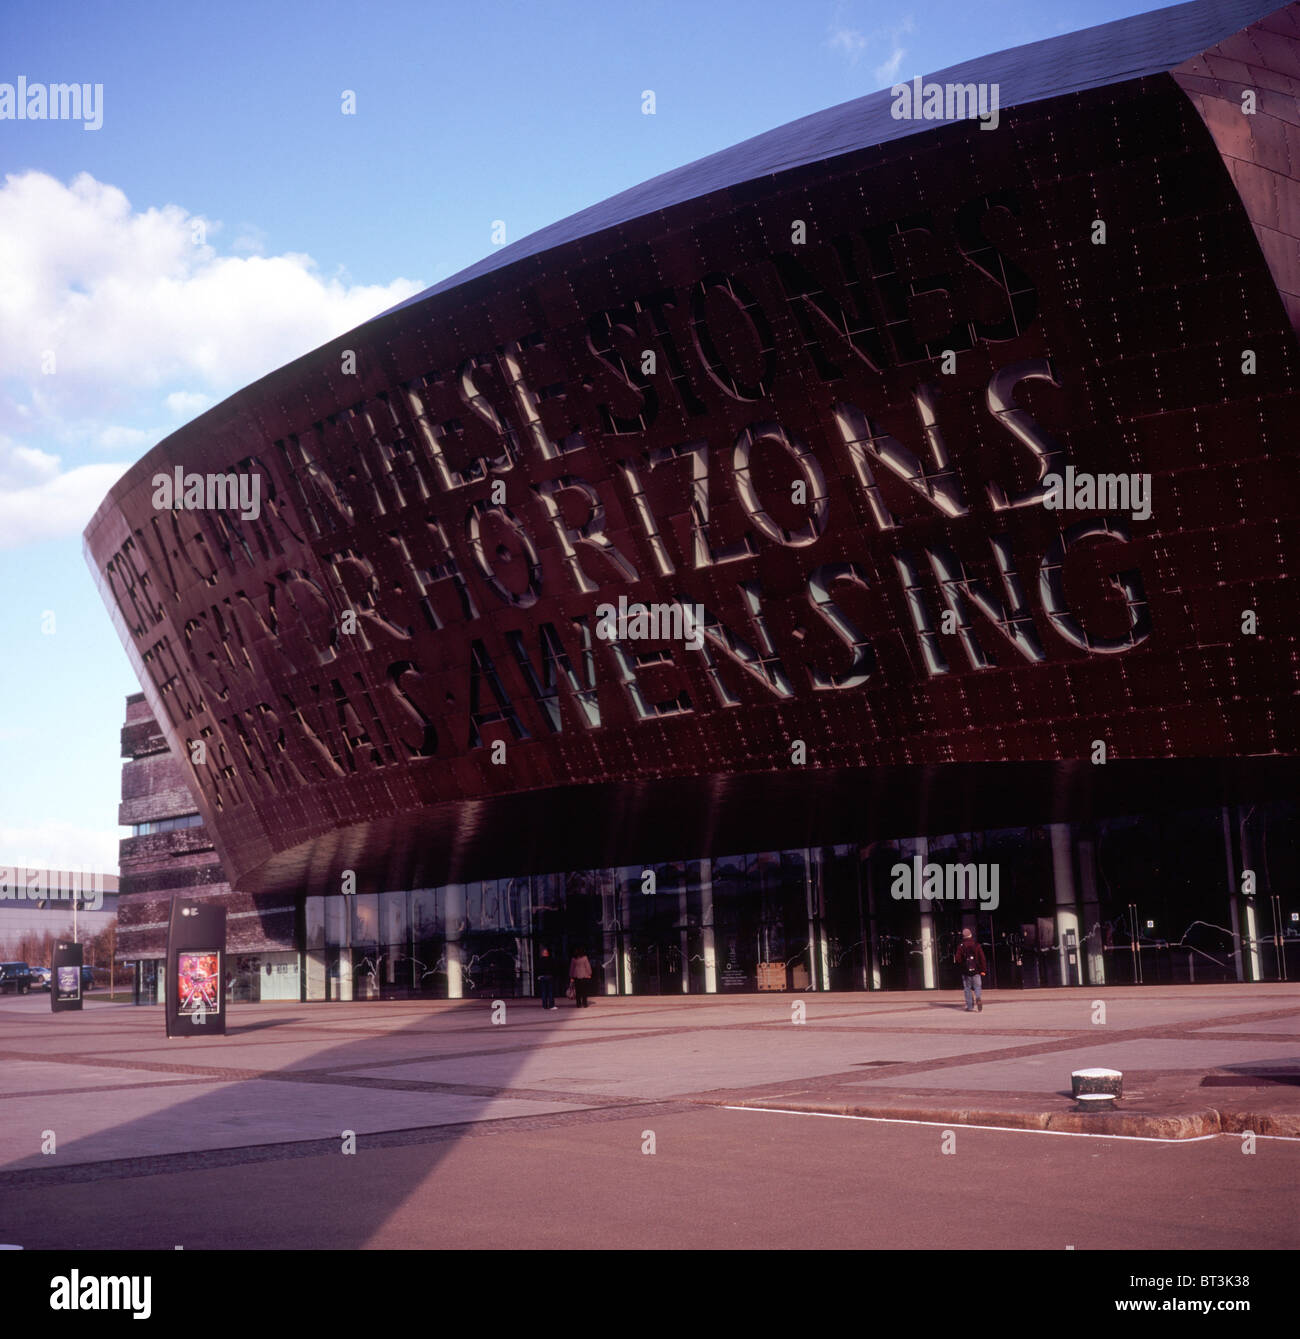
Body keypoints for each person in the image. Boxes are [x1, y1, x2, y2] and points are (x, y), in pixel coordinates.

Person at [954, 928, 986, 1012]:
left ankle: (970, 1006)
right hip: (976, 971)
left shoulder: (961, 946)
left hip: (965, 972)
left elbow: (957, 959)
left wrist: (962, 966)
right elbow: (982, 958)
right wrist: (983, 970)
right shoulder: (976, 945)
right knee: (977, 987)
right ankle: (978, 997)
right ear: (971, 935)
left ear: (963, 936)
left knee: (967, 988)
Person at [536, 945, 557, 1010]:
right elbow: (554, 968)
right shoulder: (551, 960)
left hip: (542, 977)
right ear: (547, 954)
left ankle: (544, 1006)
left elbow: (537, 969)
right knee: (550, 992)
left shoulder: (540, 960)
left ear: (542, 954)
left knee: (544, 992)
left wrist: (538, 976)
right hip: (549, 976)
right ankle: (551, 1005)